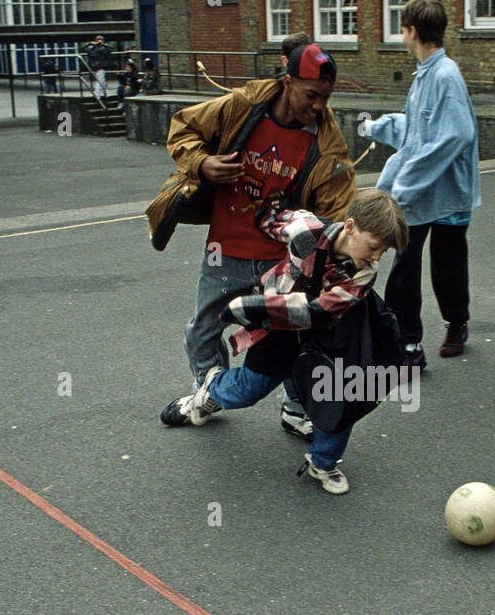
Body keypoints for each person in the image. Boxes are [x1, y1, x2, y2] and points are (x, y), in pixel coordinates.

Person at [146, 41, 355, 441]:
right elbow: (182, 127)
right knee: (204, 329)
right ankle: (207, 392)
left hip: (282, 259)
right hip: (225, 248)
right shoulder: (243, 106)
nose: (318, 107)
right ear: (288, 80)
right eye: (311, 95)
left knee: (292, 335)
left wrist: (334, 263)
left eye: (325, 99)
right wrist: (202, 163)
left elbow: (334, 211)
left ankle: (297, 409)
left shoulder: (327, 143)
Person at [160, 189, 408, 494]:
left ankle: (323, 463)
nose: (376, 257)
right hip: (280, 330)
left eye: (383, 251)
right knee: (250, 389)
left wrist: (255, 307)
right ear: (350, 226)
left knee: (339, 398)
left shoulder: (363, 273)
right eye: (374, 246)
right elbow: (268, 219)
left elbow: (316, 312)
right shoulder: (306, 230)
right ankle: (212, 388)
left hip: (326, 336)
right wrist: (265, 201)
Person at [364, 0, 480, 367]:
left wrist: (407, 182)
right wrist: (379, 127)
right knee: (404, 267)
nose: (402, 35)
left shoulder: (446, 75)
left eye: (402, 28)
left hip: (446, 195)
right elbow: (418, 131)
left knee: (447, 268)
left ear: (412, 31)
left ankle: (456, 322)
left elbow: (455, 135)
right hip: (418, 195)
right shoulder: (425, 75)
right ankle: (408, 344)